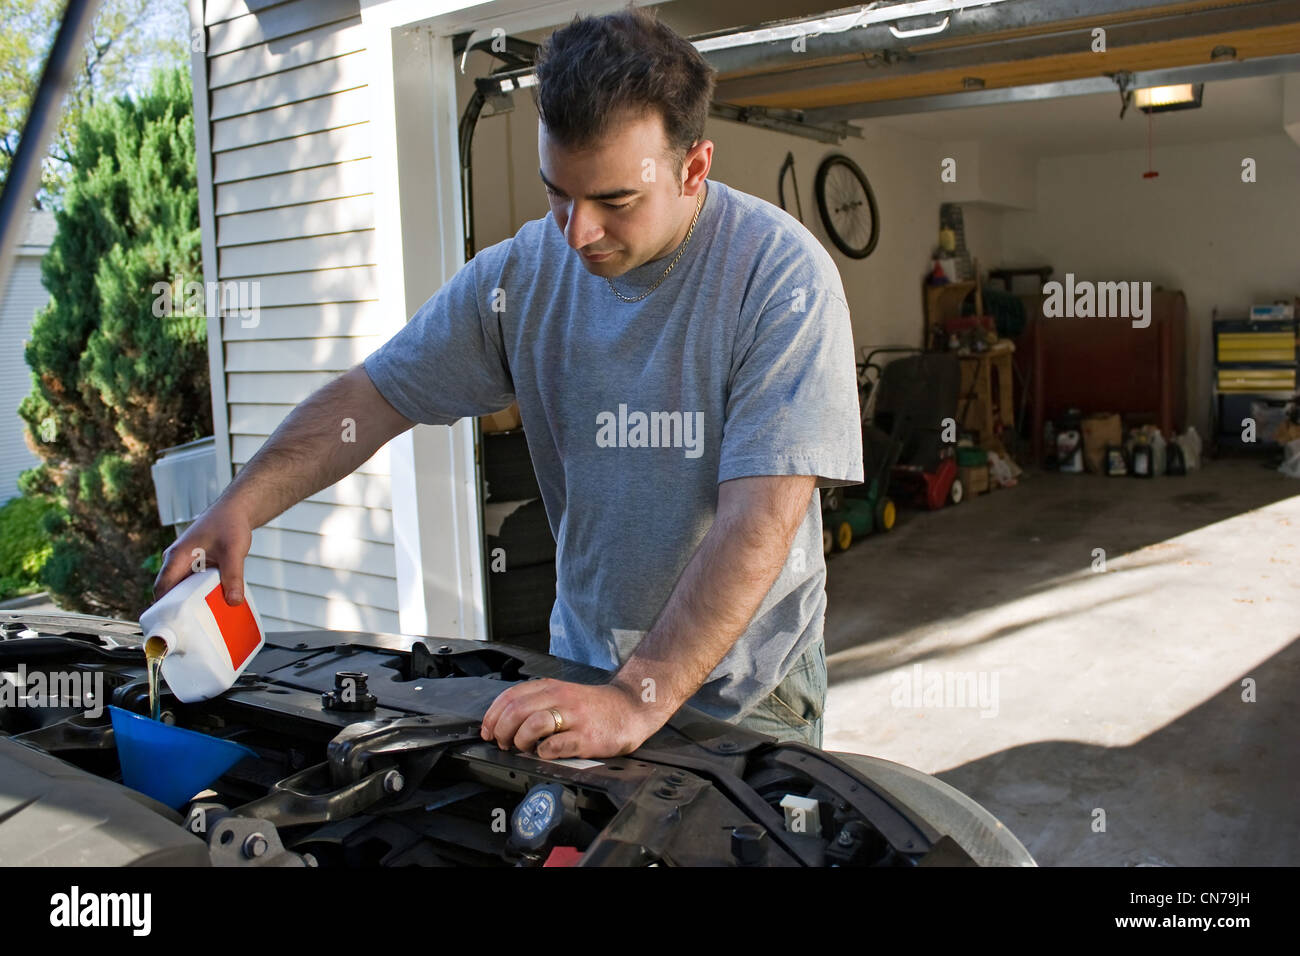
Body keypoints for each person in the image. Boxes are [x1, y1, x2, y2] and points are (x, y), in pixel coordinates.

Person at [152, 7, 862, 759]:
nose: (577, 232)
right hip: (584, 666)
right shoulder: (520, 278)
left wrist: (636, 696)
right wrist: (240, 505)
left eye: (615, 201)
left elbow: (758, 521)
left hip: (745, 695)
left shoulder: (780, 279)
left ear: (693, 168)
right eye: (558, 192)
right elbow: (374, 398)